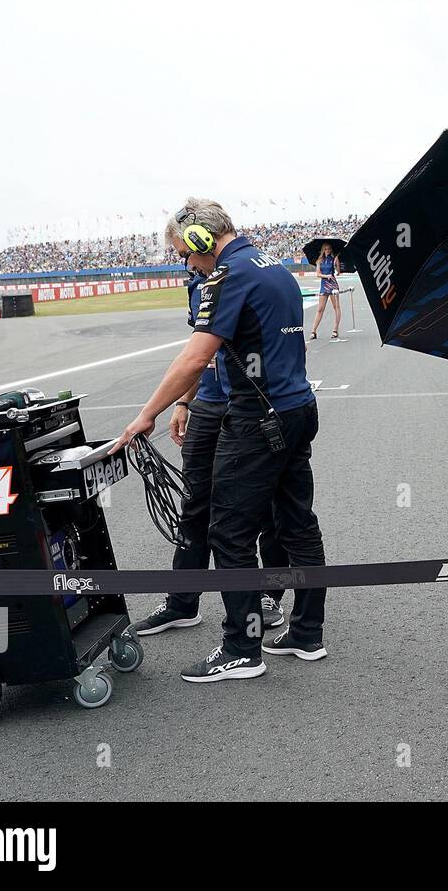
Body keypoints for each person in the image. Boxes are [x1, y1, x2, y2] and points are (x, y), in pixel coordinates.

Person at [111, 198, 327, 683]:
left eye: (184, 253)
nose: (187, 263)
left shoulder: (228, 276)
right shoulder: (274, 266)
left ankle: (240, 648)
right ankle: (308, 632)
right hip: (297, 408)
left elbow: (194, 359)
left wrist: (146, 416)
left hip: (256, 419)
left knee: (229, 532)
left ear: (200, 240)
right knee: (297, 523)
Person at [131, 262, 288, 637]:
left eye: (186, 252)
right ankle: (181, 602)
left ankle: (269, 595)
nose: (185, 261)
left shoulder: (246, 278)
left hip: (248, 405)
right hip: (208, 405)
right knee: (194, 504)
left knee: (261, 506)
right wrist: (184, 403)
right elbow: (201, 356)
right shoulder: (197, 285)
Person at [309, 241, 342, 341]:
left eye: (329, 249)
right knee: (320, 309)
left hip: (333, 285)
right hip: (324, 285)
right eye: (326, 249)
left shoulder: (333, 259)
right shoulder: (319, 260)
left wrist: (337, 263)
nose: (327, 251)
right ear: (323, 250)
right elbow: (318, 274)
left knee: (336, 307)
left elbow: (338, 272)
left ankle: (335, 330)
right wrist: (326, 276)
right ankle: (313, 331)